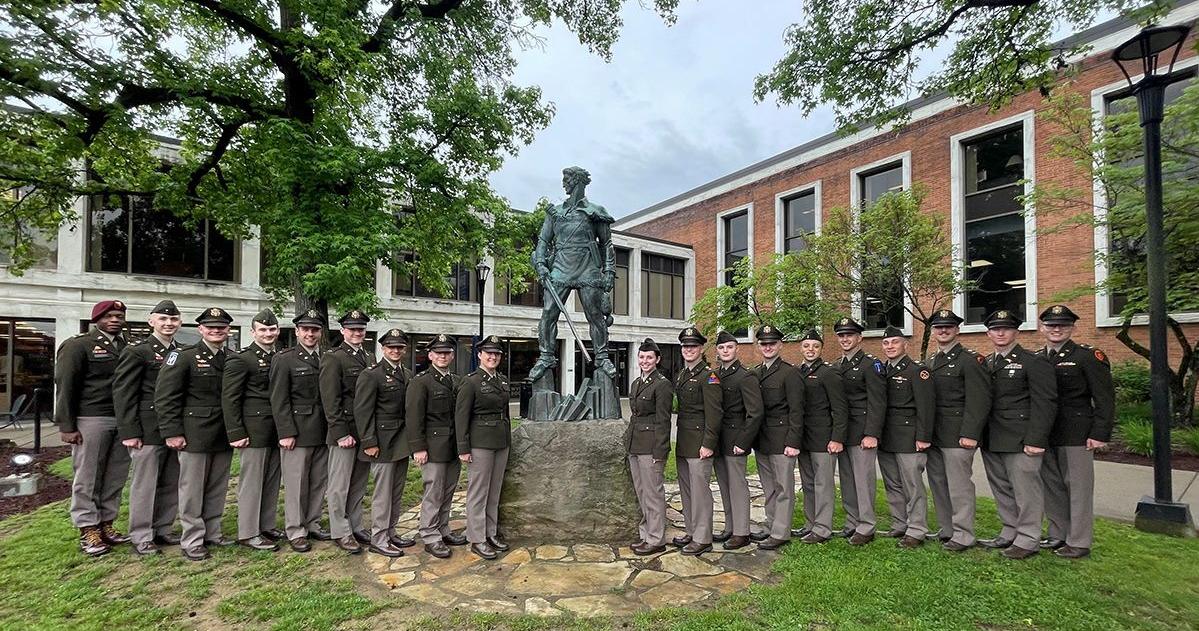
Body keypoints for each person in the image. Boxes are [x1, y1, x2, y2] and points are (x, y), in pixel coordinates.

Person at [156, 307, 235, 561]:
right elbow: (166, 397)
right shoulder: (183, 356)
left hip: (223, 433)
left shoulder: (232, 358)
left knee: (217, 486)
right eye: (210, 326)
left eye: (221, 327)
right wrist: (172, 432)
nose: (216, 330)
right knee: (191, 489)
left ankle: (212, 531)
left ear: (228, 331)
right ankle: (192, 538)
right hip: (194, 434)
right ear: (200, 329)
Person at [979, 309, 1058, 560]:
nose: (1000, 333)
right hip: (993, 438)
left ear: (1016, 331)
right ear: (988, 333)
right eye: (995, 329)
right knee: (1001, 487)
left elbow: (1045, 402)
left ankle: (1028, 538)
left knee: (1027, 491)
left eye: (1006, 328)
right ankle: (1009, 530)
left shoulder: (1033, 361)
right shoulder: (988, 362)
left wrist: (1036, 439)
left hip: (1021, 438)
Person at [1037, 304, 1115, 559]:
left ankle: (1079, 541)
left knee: (1078, 487)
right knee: (1052, 486)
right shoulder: (1038, 358)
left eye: (1063, 325)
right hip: (1046, 433)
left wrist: (1100, 433)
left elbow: (1104, 398)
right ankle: (1058, 534)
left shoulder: (1087, 357)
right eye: (1051, 325)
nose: (1056, 329)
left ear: (1073, 328)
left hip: (1077, 432)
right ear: (1042, 328)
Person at [528, 166, 618, 382]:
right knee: (548, 312)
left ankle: (602, 357)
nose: (564, 183)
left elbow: (607, 245)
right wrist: (540, 263)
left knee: (595, 315)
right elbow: (543, 241)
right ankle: (546, 356)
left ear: (578, 182)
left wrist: (609, 272)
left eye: (567, 179)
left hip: (588, 267)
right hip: (560, 267)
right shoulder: (555, 213)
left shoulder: (596, 211)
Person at [56, 299, 131, 557]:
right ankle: (88, 529)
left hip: (122, 419)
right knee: (88, 477)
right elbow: (66, 387)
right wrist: (66, 425)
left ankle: (106, 523)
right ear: (96, 318)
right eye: (109, 315)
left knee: (115, 475)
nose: (115, 319)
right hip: (91, 417)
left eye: (119, 315)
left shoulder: (126, 346)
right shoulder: (78, 346)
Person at [113, 299, 183, 556]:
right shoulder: (138, 352)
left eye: (173, 319)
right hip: (147, 428)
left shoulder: (182, 352)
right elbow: (124, 393)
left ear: (180, 323)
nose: (168, 323)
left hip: (175, 428)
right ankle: (141, 534)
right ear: (151, 321)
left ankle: (163, 528)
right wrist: (129, 432)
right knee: (145, 483)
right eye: (163, 319)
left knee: (170, 480)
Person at [925, 309, 991, 552]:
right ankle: (947, 529)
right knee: (939, 483)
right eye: (938, 328)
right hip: (935, 434)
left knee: (959, 486)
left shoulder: (970, 360)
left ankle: (964, 534)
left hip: (958, 435)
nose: (943, 331)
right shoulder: (932, 360)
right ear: (933, 332)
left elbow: (979, 400)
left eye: (948, 327)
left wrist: (971, 434)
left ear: (957, 330)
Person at [223, 308, 283, 552]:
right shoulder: (242, 359)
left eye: (271, 329)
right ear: (253, 332)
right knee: (252, 481)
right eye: (263, 329)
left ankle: (266, 525)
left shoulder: (279, 357)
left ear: (277, 331)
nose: (268, 333)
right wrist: (236, 432)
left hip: (277, 429)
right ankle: (248, 531)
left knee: (271, 480)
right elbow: (230, 398)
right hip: (254, 428)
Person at [270, 309, 330, 553]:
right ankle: (295, 529)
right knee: (296, 484)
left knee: (318, 481)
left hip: (323, 431)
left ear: (320, 332)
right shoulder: (284, 359)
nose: (310, 334)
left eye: (315, 329)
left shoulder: (326, 357)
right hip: (298, 431)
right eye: (305, 329)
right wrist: (285, 432)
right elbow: (279, 399)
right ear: (297, 332)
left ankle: (312, 522)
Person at [870, 326, 936, 549]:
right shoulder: (880, 370)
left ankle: (917, 529)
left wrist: (924, 437)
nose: (890, 347)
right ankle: (900, 523)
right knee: (893, 484)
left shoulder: (916, 371)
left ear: (905, 345)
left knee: (912, 486)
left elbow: (926, 407)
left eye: (894, 342)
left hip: (909, 437)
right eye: (886, 343)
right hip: (886, 437)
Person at [320, 309, 377, 554]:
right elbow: (330, 399)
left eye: (361, 329)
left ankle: (355, 524)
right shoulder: (334, 357)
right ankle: (340, 530)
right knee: (339, 484)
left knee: (359, 483)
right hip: (344, 431)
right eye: (352, 329)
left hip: (365, 431)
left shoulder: (370, 356)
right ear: (342, 331)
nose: (357, 333)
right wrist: (340, 432)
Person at [355, 328, 415, 557]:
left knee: (396, 490)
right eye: (391, 347)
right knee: (382, 493)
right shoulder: (371, 375)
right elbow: (362, 411)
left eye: (399, 347)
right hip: (381, 441)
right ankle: (378, 538)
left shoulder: (407, 374)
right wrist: (369, 441)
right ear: (383, 349)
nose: (396, 351)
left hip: (401, 441)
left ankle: (391, 531)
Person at [407, 333, 467, 559]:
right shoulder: (420, 382)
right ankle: (430, 534)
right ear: (430, 355)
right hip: (432, 447)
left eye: (447, 353)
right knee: (434, 492)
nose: (443, 356)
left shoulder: (456, 381)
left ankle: (443, 528)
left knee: (448, 490)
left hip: (452, 447)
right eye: (438, 353)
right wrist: (418, 448)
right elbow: (414, 417)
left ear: (452, 356)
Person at [455, 335, 512, 560]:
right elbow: (461, 417)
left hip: (500, 441)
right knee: (478, 492)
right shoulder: (470, 382)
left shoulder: (502, 380)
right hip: (480, 443)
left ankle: (490, 532)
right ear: (479, 354)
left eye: (497, 353)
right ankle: (476, 538)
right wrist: (463, 447)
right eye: (489, 353)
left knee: (494, 491)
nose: (493, 357)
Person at [831, 317, 886, 545]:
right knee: (847, 480)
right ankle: (852, 522)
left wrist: (872, 433)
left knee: (863, 481)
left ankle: (866, 526)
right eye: (841, 336)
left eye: (849, 335)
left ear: (859, 338)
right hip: (844, 433)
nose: (845, 339)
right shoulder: (837, 365)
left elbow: (878, 401)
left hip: (863, 432)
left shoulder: (870, 364)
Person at [751, 325, 803, 551]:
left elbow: (797, 410)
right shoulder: (756, 372)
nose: (768, 347)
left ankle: (781, 532)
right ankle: (772, 525)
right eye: (764, 343)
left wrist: (793, 442)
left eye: (772, 343)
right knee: (768, 487)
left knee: (783, 487)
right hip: (763, 440)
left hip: (782, 439)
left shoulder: (790, 373)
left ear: (780, 345)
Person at [793, 329, 848, 544]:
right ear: (801, 348)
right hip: (804, 438)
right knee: (808, 483)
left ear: (821, 349)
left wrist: (837, 438)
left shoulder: (829, 373)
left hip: (824, 438)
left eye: (815, 346)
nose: (810, 350)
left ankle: (823, 528)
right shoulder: (797, 372)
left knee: (823, 484)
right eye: (807, 346)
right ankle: (810, 524)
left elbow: (840, 409)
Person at [671, 327, 722, 556]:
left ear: (701, 349)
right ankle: (692, 531)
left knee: (700, 491)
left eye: (692, 346)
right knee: (687, 490)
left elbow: (714, 413)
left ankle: (703, 538)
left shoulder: (708, 376)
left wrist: (708, 444)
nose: (688, 350)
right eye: (685, 347)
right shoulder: (682, 375)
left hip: (700, 443)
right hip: (684, 441)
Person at [711, 331, 763, 550]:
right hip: (718, 439)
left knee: (738, 485)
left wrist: (743, 441)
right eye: (722, 348)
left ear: (736, 349)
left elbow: (755, 412)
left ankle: (742, 532)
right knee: (724, 485)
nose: (725, 351)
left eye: (729, 347)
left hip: (735, 439)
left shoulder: (745, 376)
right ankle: (730, 527)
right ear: (717, 351)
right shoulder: (713, 375)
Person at [625, 337, 674, 556]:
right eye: (642, 357)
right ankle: (646, 534)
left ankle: (656, 539)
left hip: (651, 447)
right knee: (642, 492)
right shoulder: (637, 383)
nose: (645, 361)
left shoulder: (662, 384)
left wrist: (660, 451)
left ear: (657, 360)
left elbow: (664, 421)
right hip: (636, 445)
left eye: (649, 357)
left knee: (653, 493)